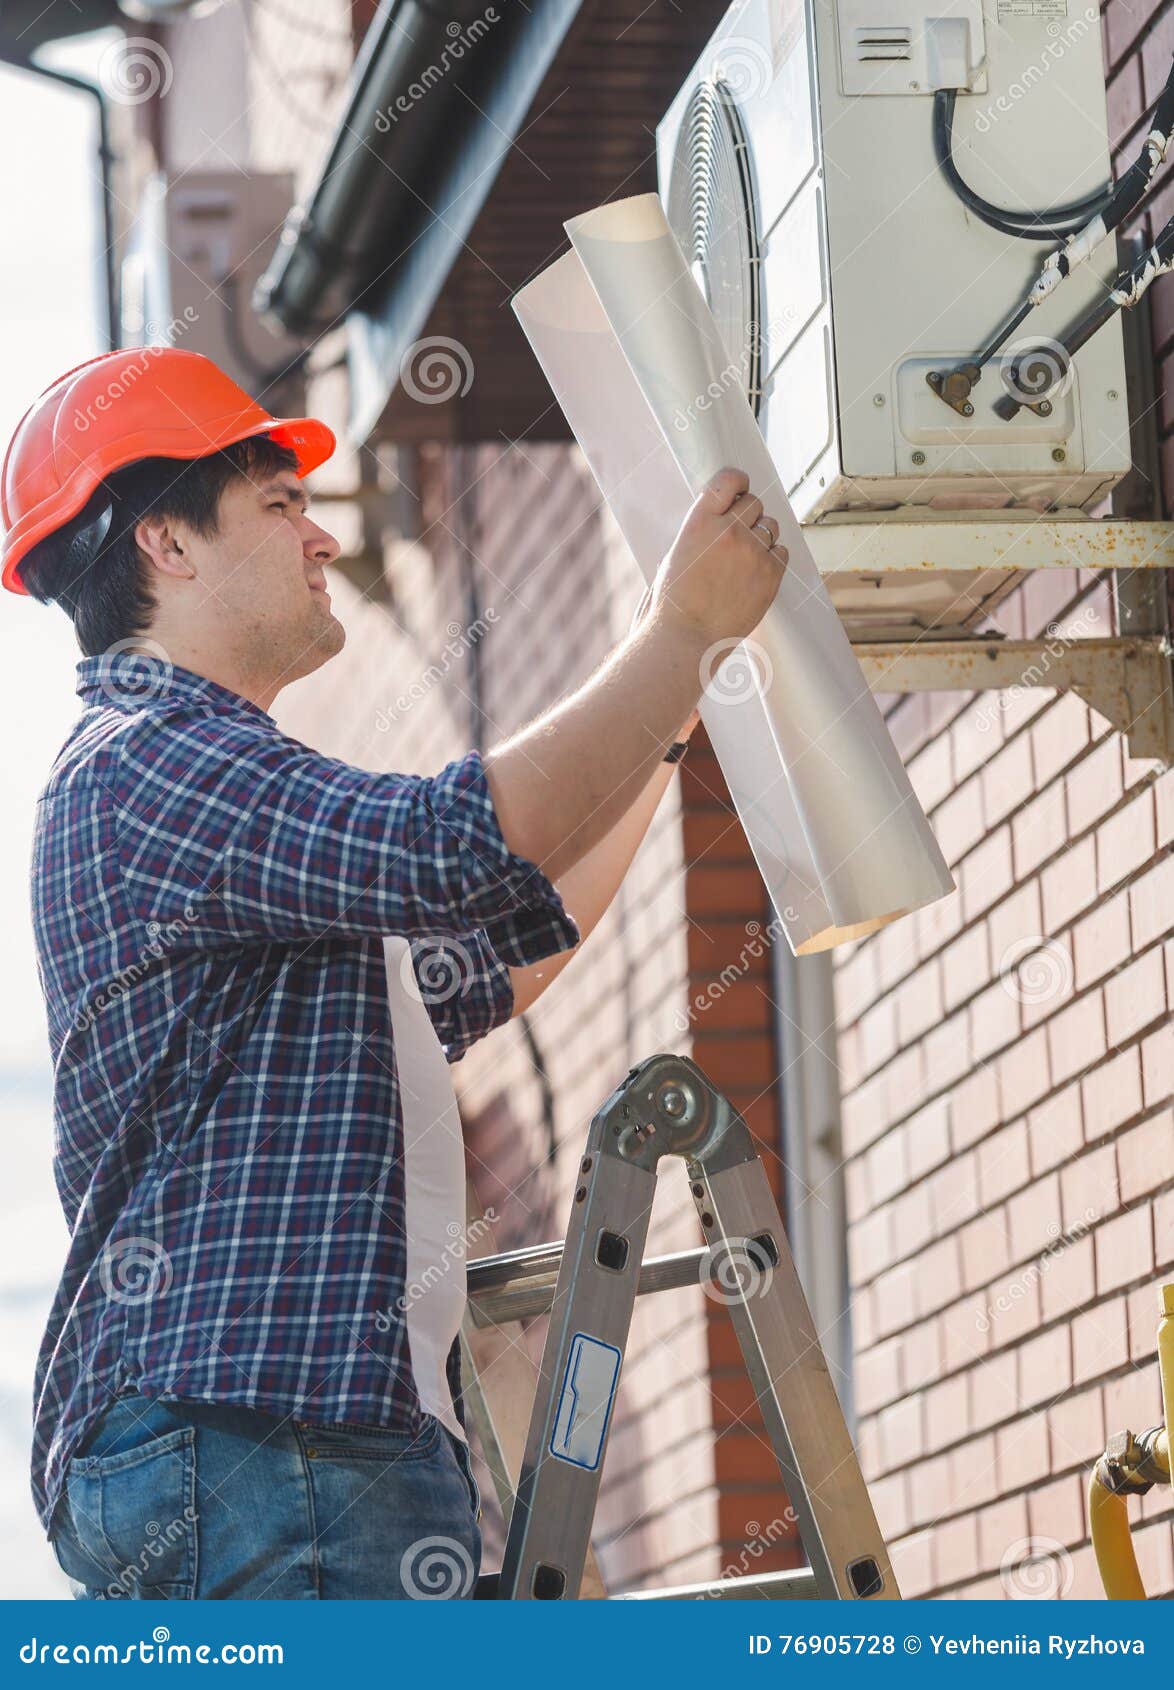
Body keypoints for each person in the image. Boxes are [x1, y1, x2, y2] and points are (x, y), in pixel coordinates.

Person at [0, 348, 787, 1599]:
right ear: (167, 542)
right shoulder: (145, 763)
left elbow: (495, 961)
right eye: (279, 503)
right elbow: (451, 843)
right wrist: (677, 632)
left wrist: (671, 704)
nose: (320, 538)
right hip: (261, 1436)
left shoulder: (224, 795)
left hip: (282, 1438)